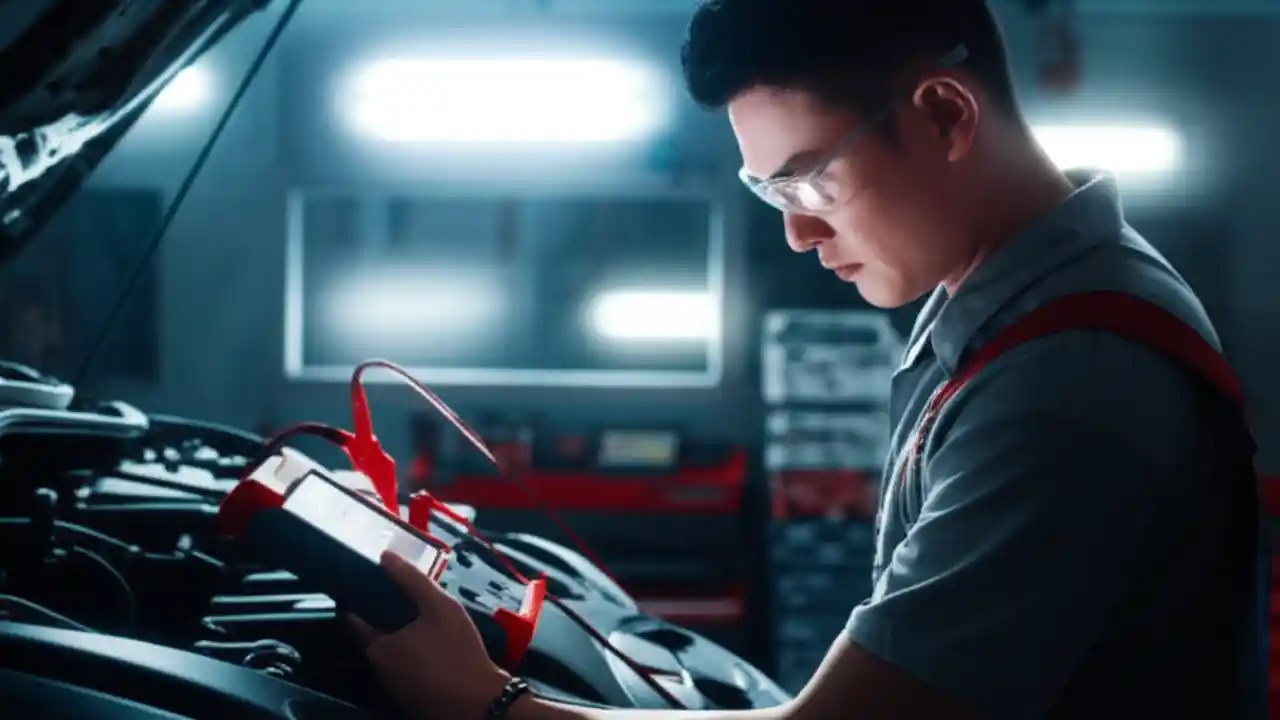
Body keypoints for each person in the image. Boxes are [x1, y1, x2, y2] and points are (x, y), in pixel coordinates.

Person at [352, 1, 1268, 718]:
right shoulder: (1001, 307)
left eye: (809, 180)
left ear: (945, 114)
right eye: (768, 190)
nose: (794, 231)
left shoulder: (1065, 378)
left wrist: (486, 704)